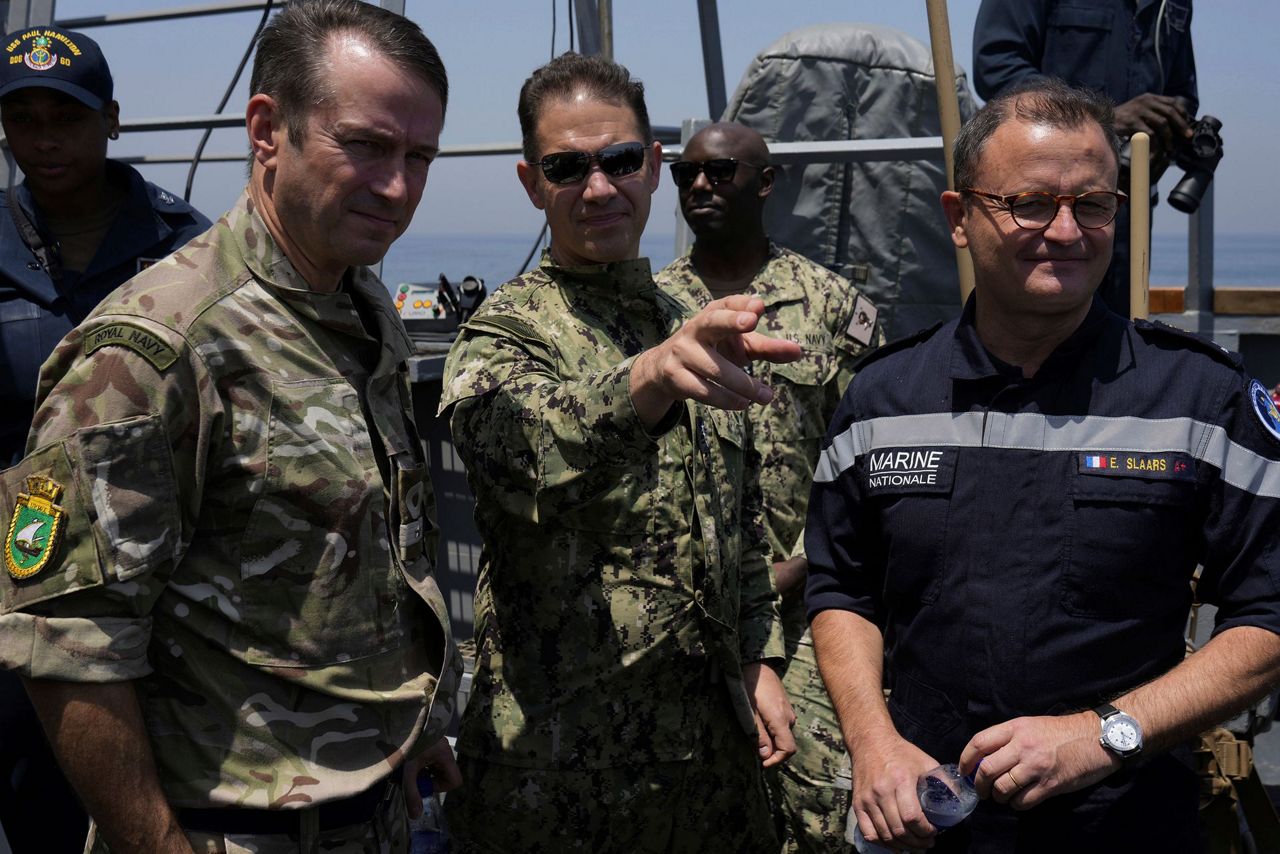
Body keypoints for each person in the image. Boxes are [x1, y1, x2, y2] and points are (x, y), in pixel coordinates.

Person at [0, 3, 460, 852]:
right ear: (266, 129)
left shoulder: (357, 306)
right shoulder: (154, 350)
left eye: (419, 156)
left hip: (373, 809)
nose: (398, 187)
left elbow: (368, 546)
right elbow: (66, 652)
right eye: (364, 145)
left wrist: (412, 720)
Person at [806, 79, 1280, 853]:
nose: (1065, 231)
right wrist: (873, 744)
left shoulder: (1202, 401)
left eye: (1091, 205)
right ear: (960, 219)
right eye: (1030, 203)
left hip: (1125, 830)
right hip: (924, 829)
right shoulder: (882, 399)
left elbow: (1269, 615)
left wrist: (1105, 736)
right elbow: (841, 589)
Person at [439, 53, 803, 853]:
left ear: (653, 166)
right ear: (532, 183)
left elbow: (737, 519)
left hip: (708, 768)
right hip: (558, 781)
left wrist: (758, 656)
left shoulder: (690, 316)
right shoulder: (505, 332)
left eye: (620, 161)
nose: (599, 189)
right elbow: (523, 451)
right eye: (567, 168)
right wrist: (648, 377)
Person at [0, 24, 211, 853]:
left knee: (144, 783)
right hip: (21, 565)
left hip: (152, 575)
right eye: (25, 120)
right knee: (29, 790)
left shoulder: (183, 244)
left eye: (69, 117)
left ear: (113, 119)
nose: (45, 141)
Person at [654, 121, 881, 853]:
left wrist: (807, 564)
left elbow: (870, 466)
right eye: (685, 174)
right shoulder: (649, 315)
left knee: (821, 798)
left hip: (812, 603)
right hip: (690, 607)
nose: (699, 187)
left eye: (720, 172)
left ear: (765, 181)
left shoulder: (832, 306)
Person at [972, 0, 1198, 317]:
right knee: (1039, 328)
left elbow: (1182, 92)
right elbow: (997, 67)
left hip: (1126, 208)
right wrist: (1104, 118)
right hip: (1040, 205)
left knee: (1119, 334)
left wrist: (1172, 131)